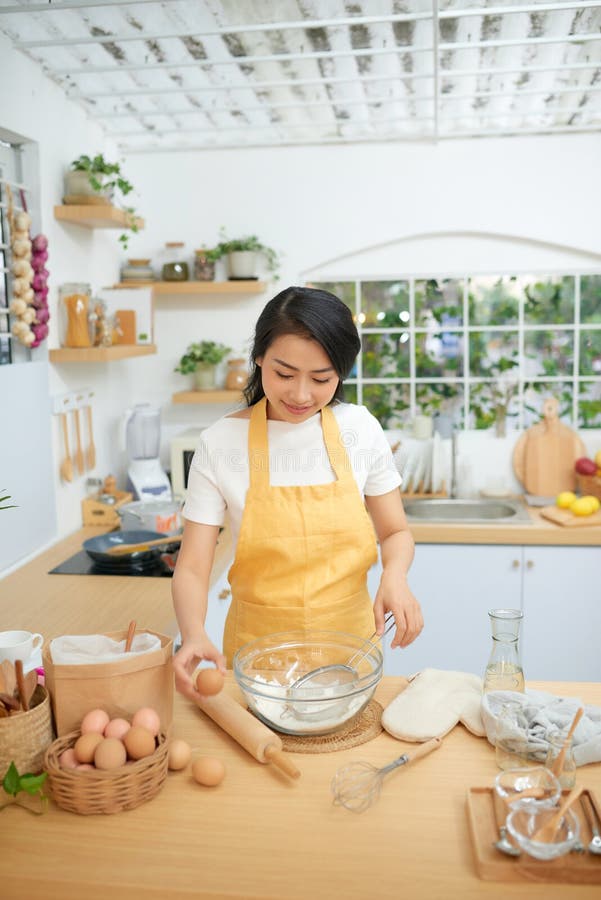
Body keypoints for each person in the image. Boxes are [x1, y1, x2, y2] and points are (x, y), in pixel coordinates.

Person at [172, 285, 423, 699]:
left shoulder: (359, 430)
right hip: (257, 666)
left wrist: (395, 576)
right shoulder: (220, 443)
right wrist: (194, 632)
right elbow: (194, 568)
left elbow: (395, 532)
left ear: (341, 372)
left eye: (321, 378)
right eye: (284, 374)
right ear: (259, 359)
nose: (301, 394)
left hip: (350, 663)